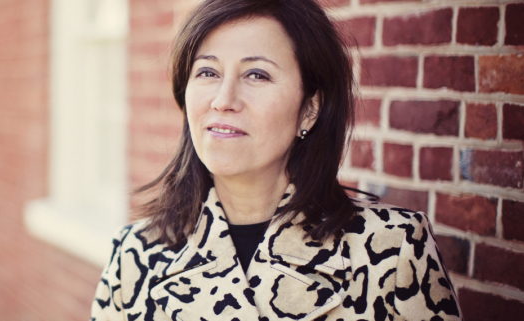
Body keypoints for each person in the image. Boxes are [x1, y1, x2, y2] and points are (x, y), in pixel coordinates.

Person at [90, 0, 462, 320]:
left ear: (309, 110)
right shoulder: (136, 254)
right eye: (207, 72)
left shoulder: (393, 251)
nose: (223, 99)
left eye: (257, 74)